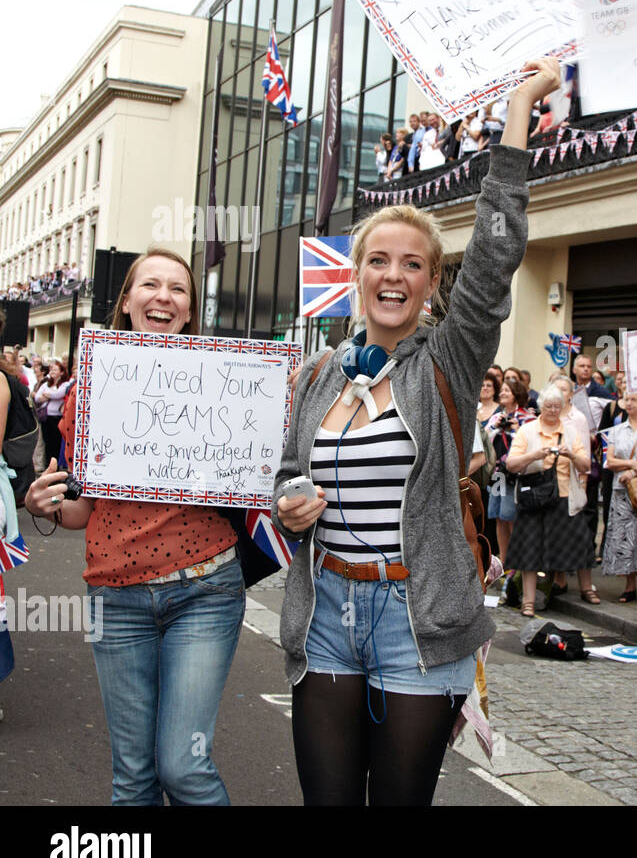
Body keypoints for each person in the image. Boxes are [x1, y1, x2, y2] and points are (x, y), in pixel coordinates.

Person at [271, 58, 562, 806]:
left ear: (431, 283)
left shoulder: (450, 362)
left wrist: (518, 113)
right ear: (357, 275)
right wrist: (291, 499)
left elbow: (496, 254)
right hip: (327, 614)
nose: (392, 274)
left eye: (412, 264)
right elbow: (285, 473)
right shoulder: (317, 374)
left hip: (418, 620)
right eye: (377, 260)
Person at [25, 247, 245, 805]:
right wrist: (43, 504)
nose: (163, 298)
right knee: (133, 779)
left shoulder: (228, 379)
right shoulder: (88, 389)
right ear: (127, 302)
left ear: (191, 311)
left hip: (205, 588)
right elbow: (81, 509)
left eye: (177, 289)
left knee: (183, 769)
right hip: (115, 599)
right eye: (150, 286)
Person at [505, 385, 597, 616]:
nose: (553, 411)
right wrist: (535, 455)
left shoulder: (570, 432)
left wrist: (570, 454)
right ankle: (528, 601)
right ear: (540, 408)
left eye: (558, 407)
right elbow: (511, 464)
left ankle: (587, 588)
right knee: (530, 551)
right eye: (549, 407)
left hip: (564, 495)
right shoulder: (527, 431)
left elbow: (586, 465)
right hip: (534, 498)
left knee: (580, 543)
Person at [601, 391, 637, 602]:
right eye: (627, 400)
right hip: (621, 489)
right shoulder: (616, 430)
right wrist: (632, 464)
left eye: (635, 399)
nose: (630, 403)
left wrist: (636, 471)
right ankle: (629, 585)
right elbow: (610, 461)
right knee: (625, 537)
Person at [486, 376, 533, 566]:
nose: (502, 393)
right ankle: (503, 560)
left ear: (516, 394)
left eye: (507, 390)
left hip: (515, 474)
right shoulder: (497, 417)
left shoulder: (527, 418)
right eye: (502, 390)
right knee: (498, 516)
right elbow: (485, 439)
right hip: (497, 474)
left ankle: (516, 562)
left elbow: (530, 444)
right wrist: (496, 427)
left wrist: (516, 429)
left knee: (511, 516)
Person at [33, 358, 72, 471]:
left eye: (55, 370)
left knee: (55, 443)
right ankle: (47, 466)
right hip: (46, 417)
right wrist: (49, 395)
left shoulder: (65, 384)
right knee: (46, 443)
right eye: (51, 370)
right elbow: (37, 397)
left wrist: (46, 395)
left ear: (62, 372)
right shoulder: (46, 383)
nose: (52, 372)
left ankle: (54, 467)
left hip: (57, 418)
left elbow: (59, 394)